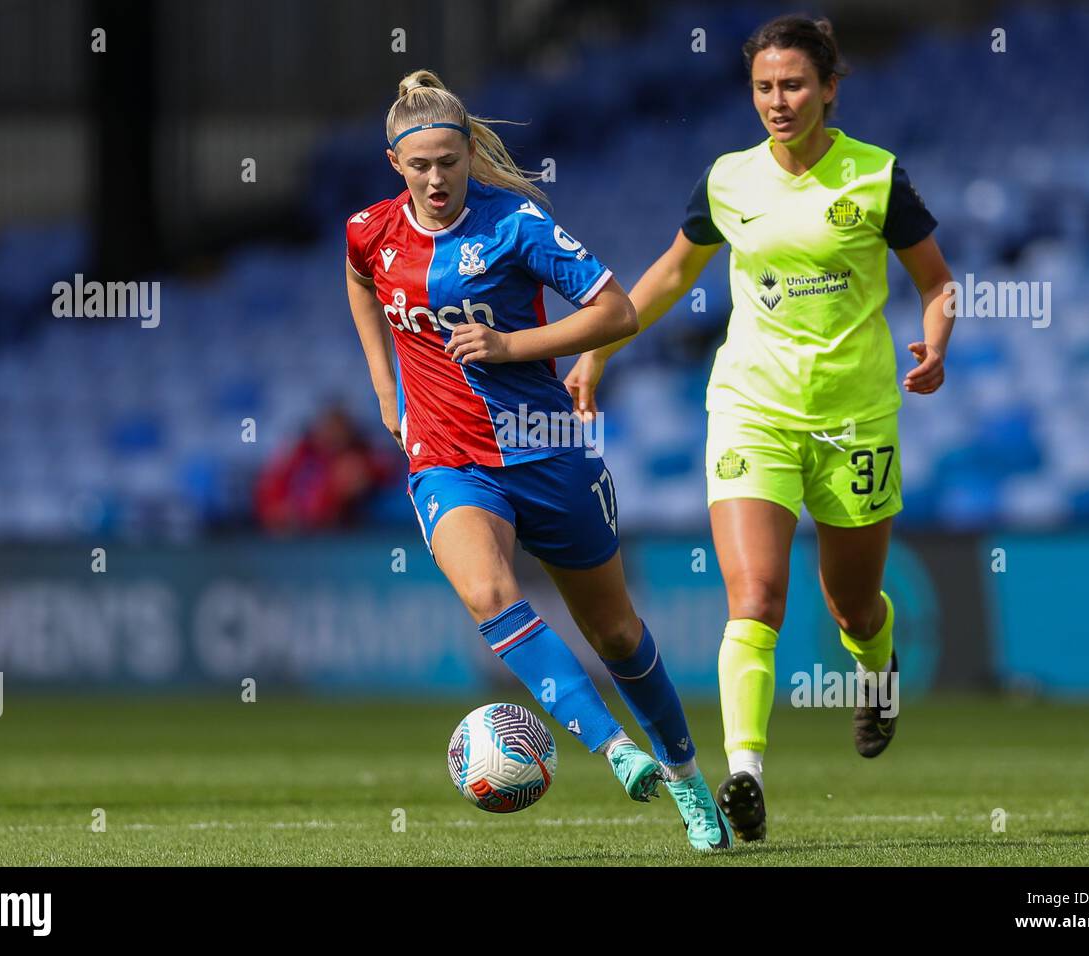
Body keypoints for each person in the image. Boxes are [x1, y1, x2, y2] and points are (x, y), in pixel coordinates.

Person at [566, 15, 955, 843]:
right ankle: (744, 773)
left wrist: (938, 341)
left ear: (829, 89)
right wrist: (598, 352)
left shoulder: (877, 179)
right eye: (763, 88)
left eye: (794, 85)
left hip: (855, 419)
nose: (778, 102)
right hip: (751, 409)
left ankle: (876, 669)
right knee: (756, 597)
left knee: (852, 605)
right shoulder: (728, 180)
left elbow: (937, 282)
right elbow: (672, 273)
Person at [344, 69, 732, 850]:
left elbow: (615, 310)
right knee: (489, 593)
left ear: (466, 155)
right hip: (447, 459)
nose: (436, 178)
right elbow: (359, 280)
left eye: (449, 162)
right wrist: (384, 390)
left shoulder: (515, 224)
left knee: (616, 632)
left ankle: (688, 778)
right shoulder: (371, 231)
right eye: (419, 166)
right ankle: (613, 749)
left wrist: (512, 344)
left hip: (547, 451)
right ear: (396, 164)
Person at [255, 405, 395, 533]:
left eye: (338, 430)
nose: (333, 435)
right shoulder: (301, 454)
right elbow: (271, 499)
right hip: (302, 536)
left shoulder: (362, 457)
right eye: (329, 428)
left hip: (351, 534)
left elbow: (388, 470)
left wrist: (365, 474)